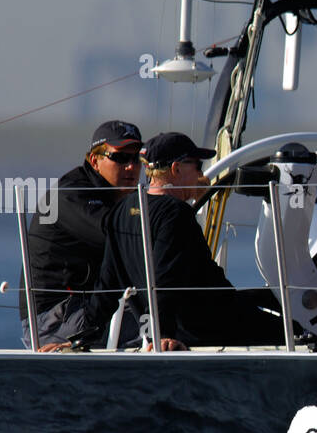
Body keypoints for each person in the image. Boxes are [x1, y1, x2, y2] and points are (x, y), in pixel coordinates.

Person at [89, 131, 281, 349]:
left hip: (194, 319)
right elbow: (165, 277)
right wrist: (164, 335)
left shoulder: (123, 209)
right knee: (293, 330)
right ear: (176, 169)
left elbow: (107, 282)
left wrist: (83, 334)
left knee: (267, 302)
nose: (201, 174)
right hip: (208, 326)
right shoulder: (175, 213)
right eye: (197, 166)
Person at [20, 120, 143, 348]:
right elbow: (120, 236)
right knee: (159, 320)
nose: (131, 167)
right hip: (53, 321)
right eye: (120, 158)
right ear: (95, 161)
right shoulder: (72, 194)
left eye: (136, 158)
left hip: (85, 307)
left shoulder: (117, 196)